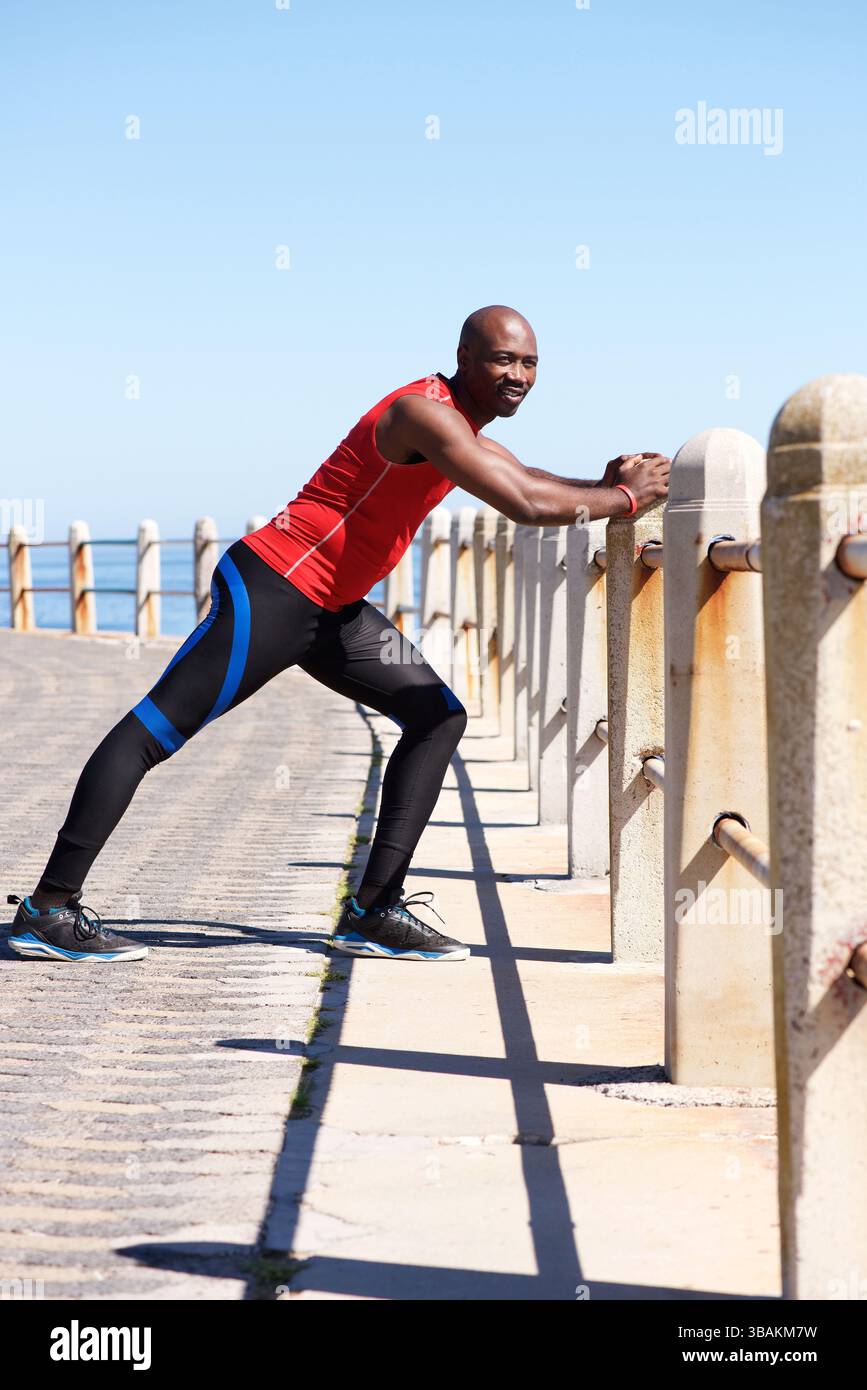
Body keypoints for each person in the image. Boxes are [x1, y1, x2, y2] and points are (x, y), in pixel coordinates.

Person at [8, 305, 670, 964]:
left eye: (528, 363)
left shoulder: (459, 428)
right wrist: (627, 501)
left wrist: (603, 484)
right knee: (153, 732)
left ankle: (373, 910)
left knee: (436, 715)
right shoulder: (423, 414)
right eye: (502, 359)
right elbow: (522, 505)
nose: (517, 374)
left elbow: (528, 478)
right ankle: (47, 909)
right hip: (274, 589)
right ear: (464, 357)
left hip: (333, 610)